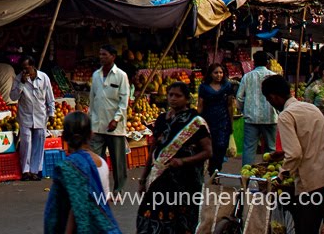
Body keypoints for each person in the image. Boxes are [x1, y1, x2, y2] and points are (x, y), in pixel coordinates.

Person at [261, 75, 324, 234]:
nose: (271, 104)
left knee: (306, 228)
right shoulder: (310, 107)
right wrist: (283, 154)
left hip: (311, 182)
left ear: (273, 97)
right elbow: (312, 142)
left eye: (269, 100)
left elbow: (295, 154)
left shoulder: (286, 115)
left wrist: (280, 176)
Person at [136, 82, 212, 234]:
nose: (173, 99)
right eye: (170, 95)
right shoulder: (162, 119)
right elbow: (153, 150)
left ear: (187, 99)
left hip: (185, 182)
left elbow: (207, 152)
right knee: (151, 216)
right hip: (160, 178)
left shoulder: (195, 122)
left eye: (178, 96)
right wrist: (143, 179)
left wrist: (182, 161)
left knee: (181, 221)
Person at [44, 111, 122, 234]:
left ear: (63, 136)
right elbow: (104, 203)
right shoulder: (101, 163)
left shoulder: (67, 167)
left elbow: (75, 209)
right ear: (91, 135)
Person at [88, 44, 131, 194]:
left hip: (115, 126)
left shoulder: (121, 75)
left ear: (113, 56)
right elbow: (92, 100)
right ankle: (99, 188)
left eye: (104, 54)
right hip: (98, 125)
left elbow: (124, 100)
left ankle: (118, 189)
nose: (101, 57)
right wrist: (90, 121)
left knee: (118, 161)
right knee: (97, 159)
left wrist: (116, 119)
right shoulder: (96, 75)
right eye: (100, 54)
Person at [11, 55, 55, 180]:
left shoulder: (44, 77)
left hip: (40, 116)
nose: (24, 71)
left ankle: (35, 171)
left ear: (33, 66)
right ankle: (25, 171)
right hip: (25, 116)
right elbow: (13, 97)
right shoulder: (19, 79)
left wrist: (51, 113)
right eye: (22, 68)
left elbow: (50, 98)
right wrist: (21, 84)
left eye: (26, 68)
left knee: (39, 143)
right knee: (26, 142)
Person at [236, 50, 278, 165]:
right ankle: (271, 177)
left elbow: (239, 97)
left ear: (254, 62)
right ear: (267, 62)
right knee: (271, 148)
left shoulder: (247, 77)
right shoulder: (274, 77)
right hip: (270, 117)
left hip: (251, 118)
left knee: (249, 148)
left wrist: (244, 109)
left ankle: (247, 178)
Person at [197, 62, 236, 174]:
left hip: (223, 121)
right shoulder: (203, 87)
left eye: (221, 72)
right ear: (210, 74)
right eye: (216, 73)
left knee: (221, 146)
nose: (219, 75)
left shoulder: (227, 86)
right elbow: (200, 105)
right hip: (208, 120)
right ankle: (214, 171)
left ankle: (216, 168)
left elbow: (230, 105)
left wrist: (231, 122)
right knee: (211, 146)